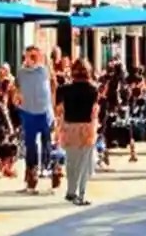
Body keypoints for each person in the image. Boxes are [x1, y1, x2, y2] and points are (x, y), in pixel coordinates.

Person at [55, 59, 100, 205]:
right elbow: (94, 111)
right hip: (86, 128)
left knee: (71, 162)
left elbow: (59, 109)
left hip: (69, 128)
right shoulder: (93, 89)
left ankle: (70, 191)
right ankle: (81, 194)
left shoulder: (64, 89)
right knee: (84, 163)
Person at [16, 46, 56, 192]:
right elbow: (18, 87)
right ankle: (31, 176)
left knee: (47, 142)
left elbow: (52, 80)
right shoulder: (21, 72)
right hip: (28, 112)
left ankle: (48, 170)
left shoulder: (43, 70)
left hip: (44, 112)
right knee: (30, 145)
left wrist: (39, 56)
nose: (30, 59)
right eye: (27, 56)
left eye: (33, 56)